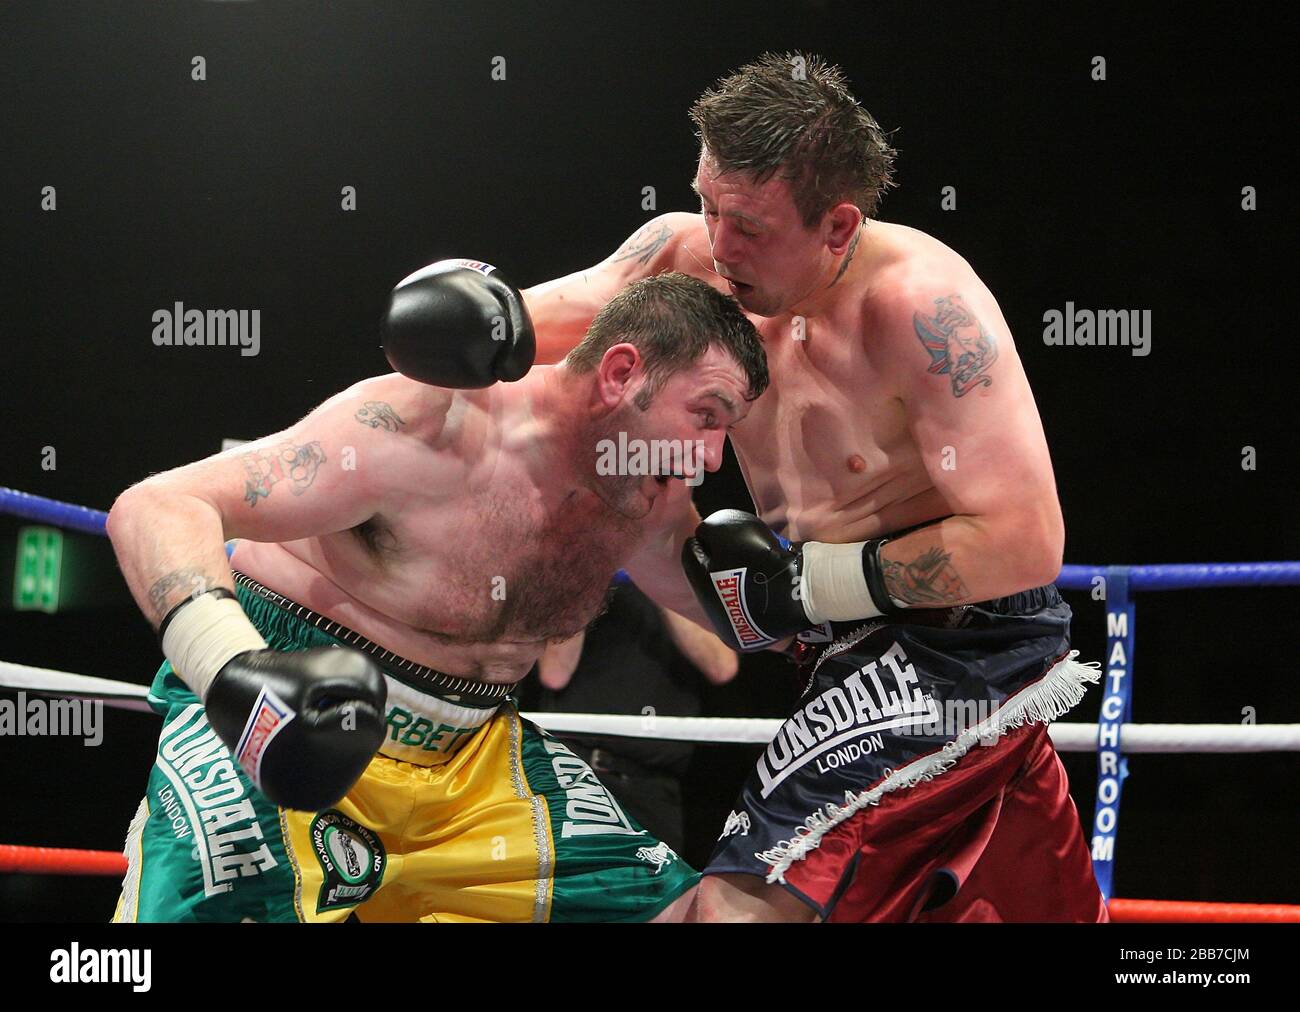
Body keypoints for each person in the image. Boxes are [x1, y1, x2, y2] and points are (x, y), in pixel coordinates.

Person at [523, 53, 1107, 922]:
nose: (720, 242)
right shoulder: (690, 259)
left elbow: (1024, 539)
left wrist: (803, 589)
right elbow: (550, 322)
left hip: (961, 646)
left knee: (737, 903)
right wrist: (463, 335)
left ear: (837, 227)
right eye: (708, 203)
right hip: (830, 640)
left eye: (750, 225)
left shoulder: (920, 309)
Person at [105, 263, 767, 922]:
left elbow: (766, 621)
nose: (710, 459)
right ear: (621, 375)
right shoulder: (425, 426)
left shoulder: (648, 500)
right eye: (704, 416)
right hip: (295, 720)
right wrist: (232, 671)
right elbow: (158, 505)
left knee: (688, 916)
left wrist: (847, 578)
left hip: (471, 755)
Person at [529, 578, 739, 854]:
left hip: (652, 789)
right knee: (564, 891)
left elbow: (723, 666)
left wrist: (654, 574)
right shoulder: (581, 571)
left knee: (655, 894)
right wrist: (594, 569)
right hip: (570, 774)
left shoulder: (686, 577)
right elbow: (554, 673)